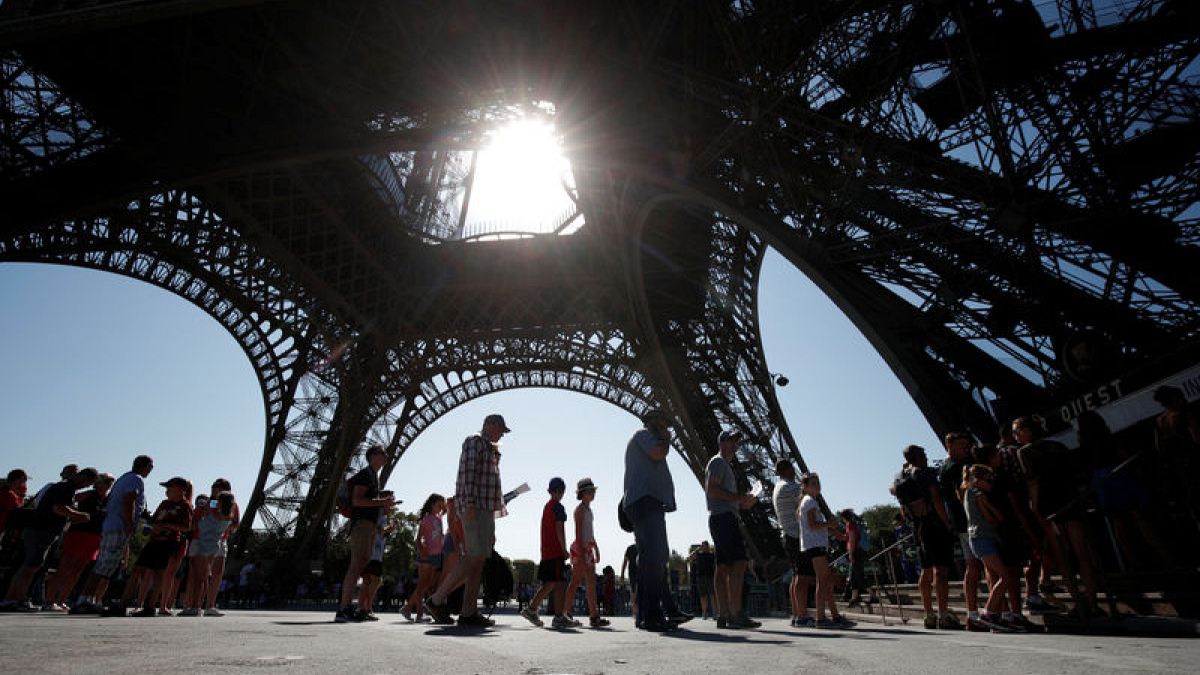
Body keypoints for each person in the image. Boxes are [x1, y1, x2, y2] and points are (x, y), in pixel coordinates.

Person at [425, 414, 509, 628]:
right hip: (475, 506)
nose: (501, 434)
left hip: (485, 509)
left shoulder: (490, 448)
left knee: (478, 561)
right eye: (500, 428)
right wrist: (469, 504)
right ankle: (436, 600)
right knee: (472, 558)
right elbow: (467, 474)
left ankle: (468, 612)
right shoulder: (475, 442)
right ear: (489, 425)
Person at [1014, 414, 1101, 618]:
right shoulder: (1058, 446)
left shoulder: (1026, 452)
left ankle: (1079, 604)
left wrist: (1034, 508)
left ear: (1028, 431)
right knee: (1083, 554)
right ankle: (1093, 601)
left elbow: (1032, 482)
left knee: (1062, 555)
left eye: (1018, 431)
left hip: (1049, 504)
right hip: (1069, 498)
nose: (1015, 435)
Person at [622, 410, 689, 632]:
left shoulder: (649, 438)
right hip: (644, 502)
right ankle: (652, 614)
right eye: (662, 423)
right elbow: (658, 454)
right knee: (656, 557)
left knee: (652, 560)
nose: (665, 427)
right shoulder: (643, 435)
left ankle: (652, 613)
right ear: (652, 423)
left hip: (648, 502)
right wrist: (666, 439)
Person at [1, 467, 97, 611]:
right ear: (84, 478)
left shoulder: (63, 487)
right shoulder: (66, 488)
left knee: (30, 566)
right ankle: (15, 599)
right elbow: (58, 508)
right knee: (31, 566)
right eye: (88, 483)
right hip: (42, 530)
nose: (86, 486)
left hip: (41, 529)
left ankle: (12, 599)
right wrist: (79, 515)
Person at [891, 445, 958, 629]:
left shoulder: (900, 478)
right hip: (934, 524)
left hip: (917, 526)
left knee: (926, 570)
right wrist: (948, 523)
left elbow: (894, 492)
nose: (927, 458)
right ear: (918, 457)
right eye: (924, 455)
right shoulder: (925, 474)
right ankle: (943, 614)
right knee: (941, 571)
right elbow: (937, 501)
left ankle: (929, 614)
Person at [77, 455, 153, 616]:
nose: (151, 470)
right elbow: (129, 500)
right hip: (119, 526)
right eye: (150, 466)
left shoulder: (124, 478)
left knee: (105, 564)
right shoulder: (135, 479)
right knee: (105, 564)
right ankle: (84, 600)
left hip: (110, 524)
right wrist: (129, 524)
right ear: (145, 466)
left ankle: (88, 599)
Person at [705, 429, 759, 629]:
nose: (736, 445)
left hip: (720, 517)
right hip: (725, 518)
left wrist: (743, 502)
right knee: (739, 563)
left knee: (723, 568)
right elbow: (712, 488)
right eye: (732, 441)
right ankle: (736, 613)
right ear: (722, 442)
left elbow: (717, 493)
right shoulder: (719, 462)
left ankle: (723, 614)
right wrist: (738, 498)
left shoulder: (722, 464)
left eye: (737, 442)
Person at [335, 444, 395, 623]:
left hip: (368, 525)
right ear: (373, 456)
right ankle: (343, 608)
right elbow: (357, 501)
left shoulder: (373, 477)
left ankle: (353, 607)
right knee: (356, 565)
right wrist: (381, 502)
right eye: (382, 453)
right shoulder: (365, 475)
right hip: (362, 525)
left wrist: (382, 504)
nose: (386, 456)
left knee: (362, 565)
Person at [961, 464, 1022, 632]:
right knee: (1006, 576)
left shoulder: (968, 493)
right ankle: (989, 612)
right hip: (983, 538)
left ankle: (998, 615)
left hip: (978, 538)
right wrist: (996, 513)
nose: (991, 483)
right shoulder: (978, 494)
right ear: (978, 480)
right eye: (989, 479)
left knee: (997, 576)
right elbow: (994, 516)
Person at [45, 472, 114, 610]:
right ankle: (49, 600)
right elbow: (69, 502)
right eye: (105, 481)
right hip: (78, 533)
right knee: (65, 567)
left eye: (110, 482)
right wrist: (75, 514)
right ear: (98, 482)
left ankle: (62, 600)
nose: (107, 484)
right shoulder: (88, 494)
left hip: (95, 536)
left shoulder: (109, 499)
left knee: (78, 569)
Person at [127, 477, 193, 617]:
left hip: (169, 543)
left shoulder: (185, 506)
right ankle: (139, 603)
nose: (167, 490)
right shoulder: (164, 504)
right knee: (145, 572)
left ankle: (157, 605)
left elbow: (187, 527)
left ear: (181, 490)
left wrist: (168, 526)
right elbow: (155, 519)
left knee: (162, 574)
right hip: (154, 540)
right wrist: (153, 525)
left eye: (170, 487)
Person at [521, 477, 576, 628]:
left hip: (546, 551)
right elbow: (560, 529)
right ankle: (555, 616)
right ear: (553, 492)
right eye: (557, 491)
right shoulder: (558, 507)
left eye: (560, 491)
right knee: (557, 583)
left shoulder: (547, 506)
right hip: (555, 551)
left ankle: (535, 610)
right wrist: (564, 549)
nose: (559, 493)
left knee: (552, 583)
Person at [941, 431, 983, 625]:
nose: (966, 448)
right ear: (949, 446)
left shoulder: (945, 468)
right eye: (961, 445)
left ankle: (972, 612)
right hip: (970, 520)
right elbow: (961, 493)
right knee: (985, 565)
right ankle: (993, 611)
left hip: (961, 523)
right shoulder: (956, 467)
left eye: (967, 444)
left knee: (973, 565)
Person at [799, 473, 851, 628]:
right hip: (816, 546)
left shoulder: (807, 501)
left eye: (817, 483)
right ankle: (820, 618)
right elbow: (813, 525)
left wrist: (836, 533)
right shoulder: (810, 502)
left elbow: (816, 526)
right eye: (813, 483)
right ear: (805, 486)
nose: (817, 485)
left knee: (825, 580)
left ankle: (833, 615)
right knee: (823, 581)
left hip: (813, 545)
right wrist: (829, 524)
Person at [181, 491, 237, 616]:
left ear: (220, 501)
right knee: (204, 576)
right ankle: (199, 606)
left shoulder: (212, 511)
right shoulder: (228, 515)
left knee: (197, 577)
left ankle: (195, 606)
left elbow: (206, 506)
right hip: (214, 545)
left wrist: (212, 501)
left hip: (202, 544)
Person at [773, 460, 815, 627]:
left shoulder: (778, 487)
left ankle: (797, 614)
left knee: (797, 577)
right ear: (788, 469)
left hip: (788, 535)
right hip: (796, 536)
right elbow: (810, 497)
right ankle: (802, 615)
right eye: (792, 468)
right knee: (802, 577)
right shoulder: (789, 487)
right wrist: (808, 481)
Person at [563, 478, 608, 627]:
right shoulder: (580, 510)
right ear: (582, 494)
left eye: (593, 491)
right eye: (590, 491)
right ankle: (566, 613)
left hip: (588, 548)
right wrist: (582, 553)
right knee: (576, 581)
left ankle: (594, 616)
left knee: (591, 583)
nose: (593, 493)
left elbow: (589, 532)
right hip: (580, 548)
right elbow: (578, 532)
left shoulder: (588, 510)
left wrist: (596, 548)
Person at [402, 493, 445, 621]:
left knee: (426, 585)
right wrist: (422, 551)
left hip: (437, 555)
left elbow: (445, 512)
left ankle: (408, 608)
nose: (442, 507)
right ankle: (418, 613)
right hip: (426, 555)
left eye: (442, 505)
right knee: (422, 585)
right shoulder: (426, 518)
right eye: (439, 504)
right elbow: (418, 538)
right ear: (432, 504)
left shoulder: (438, 517)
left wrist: (446, 507)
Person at [201, 478, 240, 614]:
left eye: (217, 487)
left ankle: (210, 604)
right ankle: (198, 603)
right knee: (204, 573)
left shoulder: (233, 504)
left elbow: (236, 522)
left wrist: (229, 528)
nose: (213, 489)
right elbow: (211, 516)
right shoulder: (212, 502)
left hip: (221, 540)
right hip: (208, 540)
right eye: (213, 487)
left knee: (217, 573)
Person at [358, 492, 396, 621]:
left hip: (375, 553)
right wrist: (388, 528)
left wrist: (390, 529)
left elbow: (381, 533)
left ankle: (364, 608)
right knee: (372, 581)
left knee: (370, 581)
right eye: (391, 501)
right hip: (371, 552)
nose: (392, 504)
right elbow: (375, 529)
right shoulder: (378, 513)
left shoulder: (383, 515)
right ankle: (365, 608)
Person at [839, 509, 868, 606]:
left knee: (858, 575)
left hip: (855, 552)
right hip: (857, 551)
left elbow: (852, 540)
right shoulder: (853, 524)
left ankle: (873, 595)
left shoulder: (849, 525)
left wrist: (851, 554)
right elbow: (846, 538)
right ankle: (854, 597)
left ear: (843, 517)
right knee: (853, 577)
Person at [0, 469, 29, 547]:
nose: (24, 485)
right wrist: (21, 496)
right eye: (23, 481)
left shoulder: (6, 492)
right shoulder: (9, 495)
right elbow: (17, 514)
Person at [687, 542, 716, 620]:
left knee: (712, 595)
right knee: (703, 596)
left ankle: (715, 613)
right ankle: (704, 613)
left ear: (708, 546)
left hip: (710, 577)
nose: (704, 547)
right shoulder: (698, 555)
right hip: (700, 577)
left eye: (705, 546)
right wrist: (697, 549)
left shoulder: (711, 555)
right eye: (703, 546)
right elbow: (689, 558)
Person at [620, 543, 638, 617]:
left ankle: (637, 611)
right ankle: (635, 612)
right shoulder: (630, 548)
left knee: (635, 592)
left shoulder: (644, 546)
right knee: (633, 592)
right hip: (633, 573)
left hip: (641, 572)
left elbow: (625, 562)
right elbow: (625, 561)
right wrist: (622, 574)